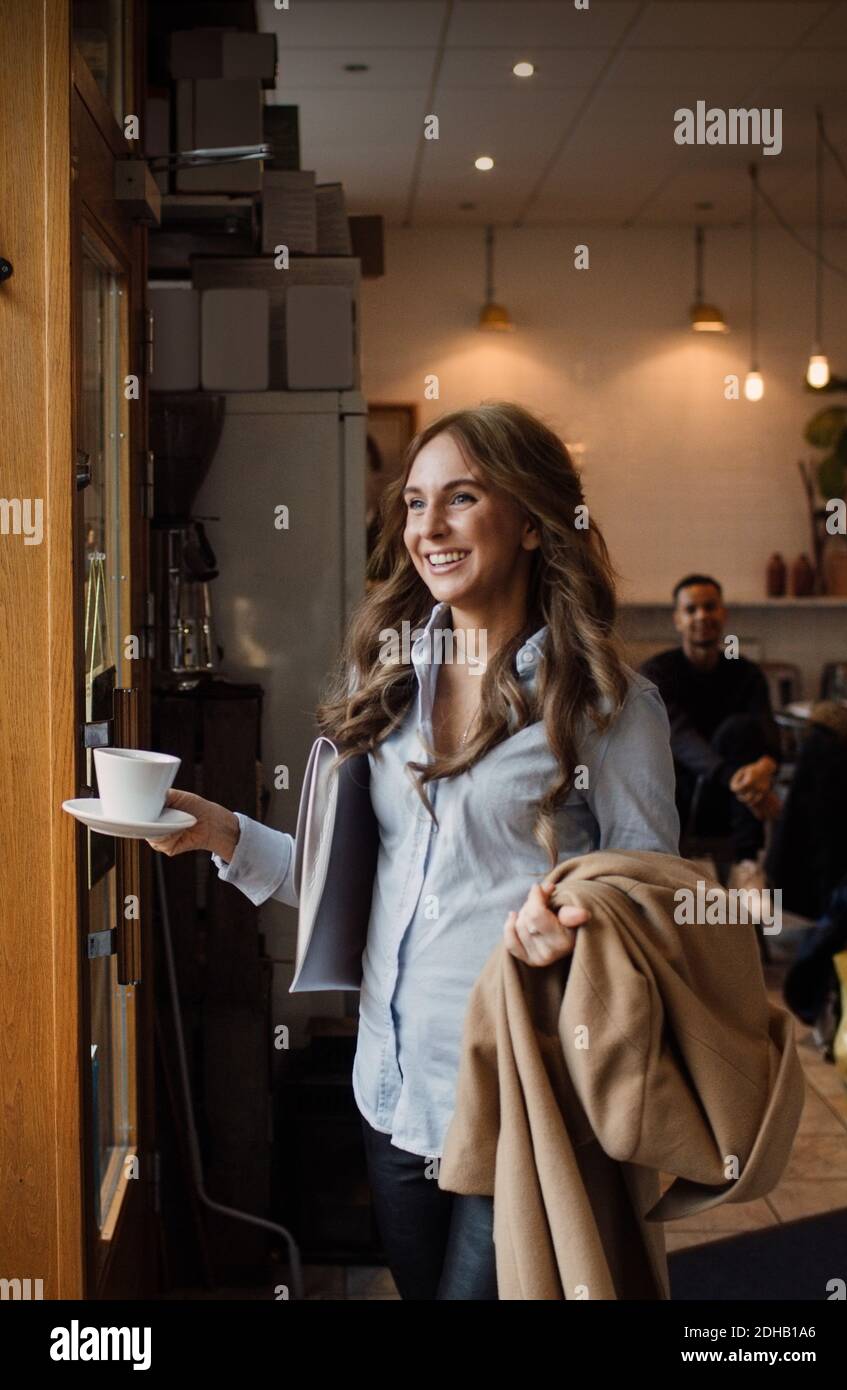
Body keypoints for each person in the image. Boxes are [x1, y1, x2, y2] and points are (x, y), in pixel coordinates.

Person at [147, 401, 681, 1300]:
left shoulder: (608, 705)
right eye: (415, 503)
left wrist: (583, 926)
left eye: (462, 498)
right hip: (391, 1090)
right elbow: (353, 883)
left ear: (533, 523)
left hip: (523, 1095)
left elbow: (652, 902)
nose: (427, 528)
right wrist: (221, 832)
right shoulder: (385, 681)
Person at [639, 575, 782, 893]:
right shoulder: (657, 673)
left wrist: (766, 767)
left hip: (734, 796)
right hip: (680, 792)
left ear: (723, 613)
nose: (702, 616)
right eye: (691, 609)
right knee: (667, 754)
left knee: (740, 730)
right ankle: (686, 873)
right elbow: (679, 737)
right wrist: (736, 779)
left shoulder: (745, 672)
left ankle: (746, 866)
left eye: (709, 607)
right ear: (677, 619)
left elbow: (767, 728)